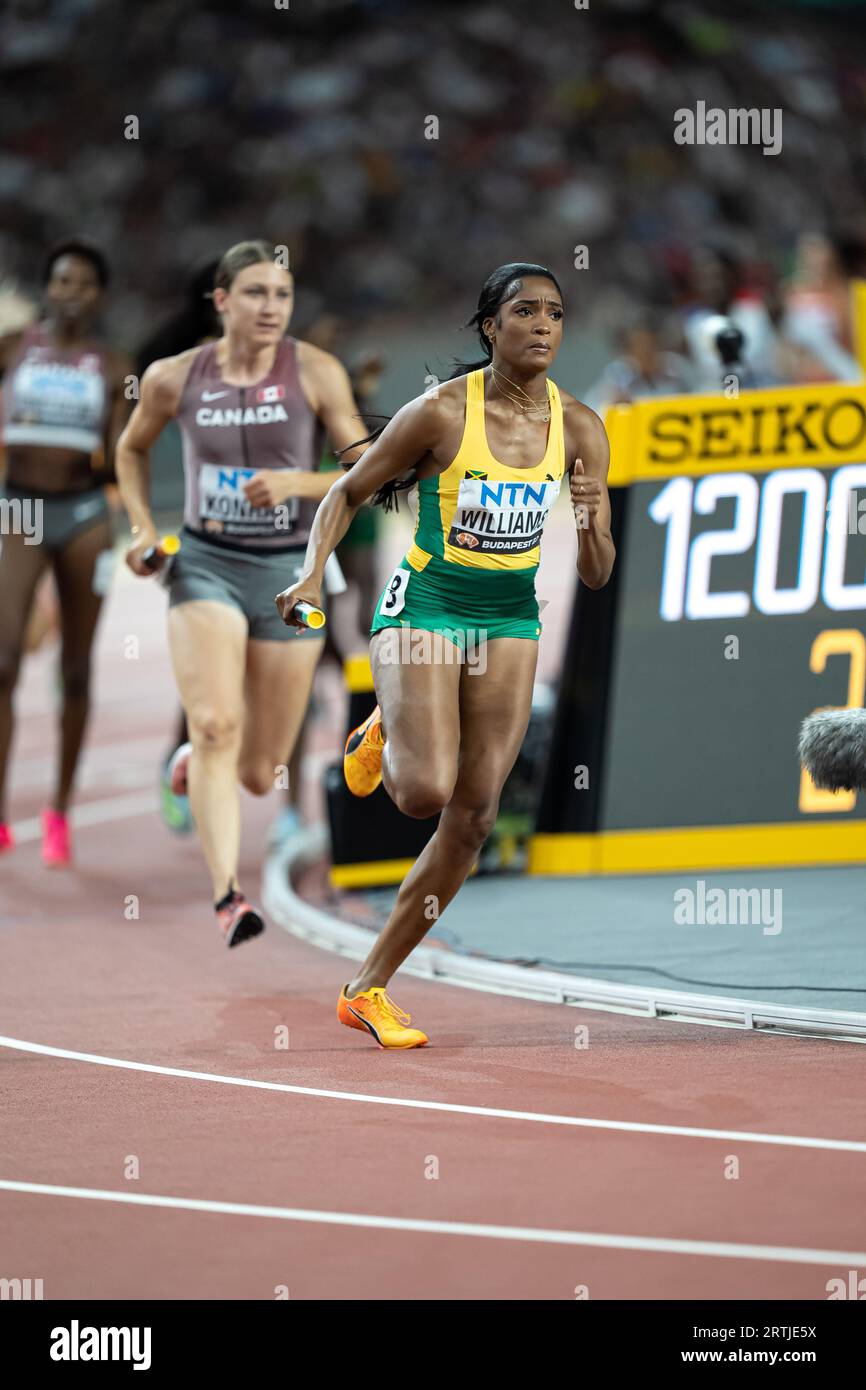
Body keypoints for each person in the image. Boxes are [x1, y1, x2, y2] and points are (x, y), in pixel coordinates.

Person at [276, 262, 615, 1047]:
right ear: (490, 328)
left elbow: (596, 574)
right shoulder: (438, 412)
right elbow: (347, 491)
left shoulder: (584, 427)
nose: (542, 326)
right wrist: (307, 574)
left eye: (555, 314)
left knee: (473, 819)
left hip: (508, 618)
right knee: (423, 793)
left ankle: (366, 988)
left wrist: (593, 521)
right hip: (427, 604)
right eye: (523, 311)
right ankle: (385, 729)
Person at [116, 240, 367, 946]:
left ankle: (200, 756)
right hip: (207, 563)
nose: (271, 308)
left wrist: (297, 483)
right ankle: (228, 896)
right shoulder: (175, 377)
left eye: (282, 295)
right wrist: (141, 526)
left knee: (260, 772)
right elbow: (131, 447)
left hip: (295, 575)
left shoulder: (314, 371)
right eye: (256, 293)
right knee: (219, 724)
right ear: (221, 301)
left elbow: (364, 469)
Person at [0, 240, 131, 865]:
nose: (70, 292)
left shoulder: (112, 365)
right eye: (61, 280)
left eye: (83, 283)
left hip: (82, 515)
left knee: (75, 669)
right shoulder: (13, 348)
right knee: (3, 661)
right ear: (47, 287)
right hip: (18, 508)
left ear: (98, 295)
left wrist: (132, 520)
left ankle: (58, 809)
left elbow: (121, 453)